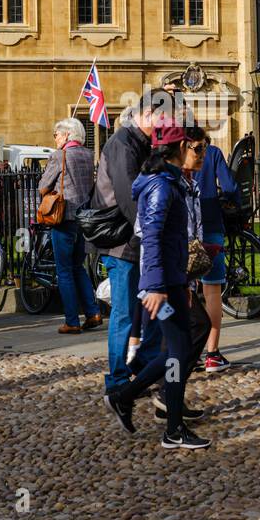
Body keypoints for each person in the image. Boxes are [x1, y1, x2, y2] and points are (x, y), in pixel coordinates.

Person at [103, 116, 210, 450]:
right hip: (162, 284)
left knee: (180, 350)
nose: (200, 153)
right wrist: (154, 286)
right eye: (195, 147)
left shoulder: (170, 181)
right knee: (177, 352)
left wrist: (182, 284)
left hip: (172, 281)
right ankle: (168, 424)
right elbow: (149, 235)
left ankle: (130, 399)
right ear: (179, 147)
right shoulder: (162, 186)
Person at [96, 95, 162, 395]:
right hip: (122, 244)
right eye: (163, 118)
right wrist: (152, 234)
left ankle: (142, 365)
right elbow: (128, 196)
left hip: (135, 242)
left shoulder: (142, 143)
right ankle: (117, 379)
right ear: (148, 114)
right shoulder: (123, 143)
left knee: (151, 310)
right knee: (124, 313)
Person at [37, 117, 102, 335]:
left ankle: (72, 321)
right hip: (84, 218)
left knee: (64, 270)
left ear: (67, 135)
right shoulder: (87, 154)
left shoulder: (59, 155)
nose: (55, 138)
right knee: (78, 267)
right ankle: (93, 313)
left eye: (56, 134)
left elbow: (43, 186)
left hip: (63, 218)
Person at [189, 126, 238, 372]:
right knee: (212, 290)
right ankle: (212, 353)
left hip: (186, 228)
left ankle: (189, 351)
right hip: (210, 224)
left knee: (184, 291)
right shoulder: (214, 153)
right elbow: (229, 187)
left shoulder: (177, 155)